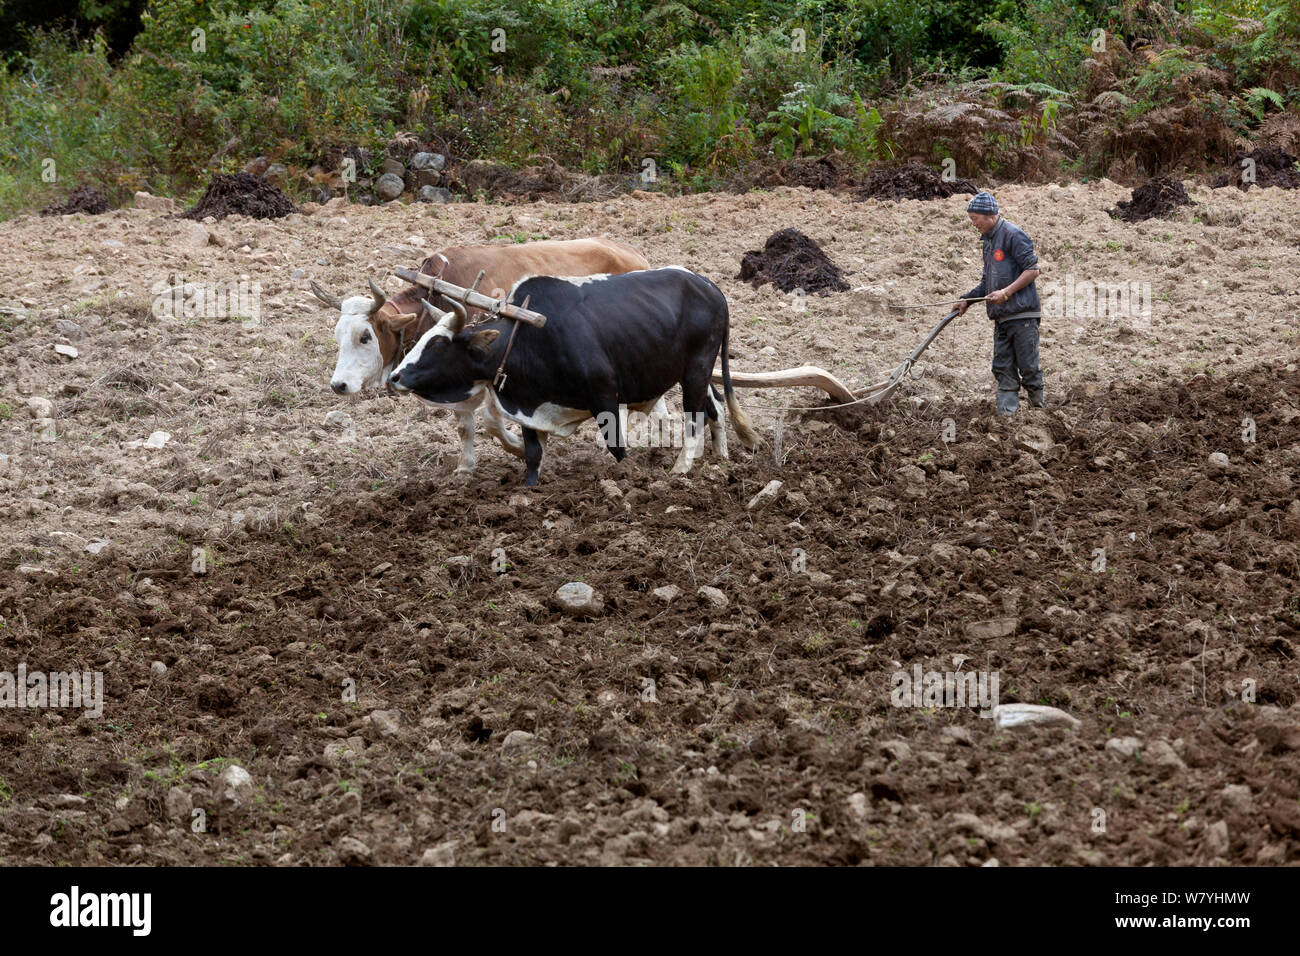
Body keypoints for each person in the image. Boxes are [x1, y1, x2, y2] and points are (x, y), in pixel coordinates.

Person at [953, 192, 1043, 415]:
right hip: (1001, 317)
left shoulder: (1013, 235)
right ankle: (1008, 418)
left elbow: (1032, 270)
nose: (973, 224)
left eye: (975, 219)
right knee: (1003, 367)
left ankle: (1039, 414)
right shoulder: (988, 243)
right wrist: (967, 299)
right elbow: (987, 282)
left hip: (1022, 315)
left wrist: (1006, 292)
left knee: (1028, 367)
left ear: (990, 215)